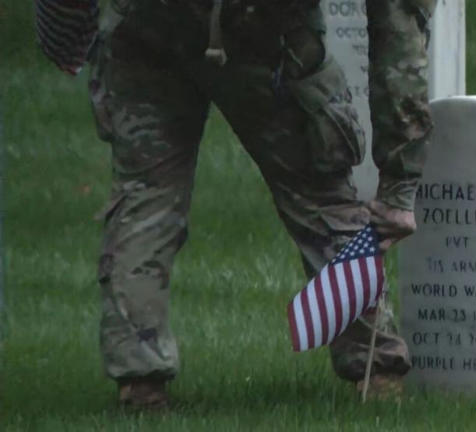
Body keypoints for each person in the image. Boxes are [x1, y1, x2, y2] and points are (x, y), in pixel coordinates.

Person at [84, 0, 434, 408]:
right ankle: (378, 374)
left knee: (145, 197)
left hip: (143, 22)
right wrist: (399, 184)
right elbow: (398, 23)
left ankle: (139, 380)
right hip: (261, 31)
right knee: (321, 195)